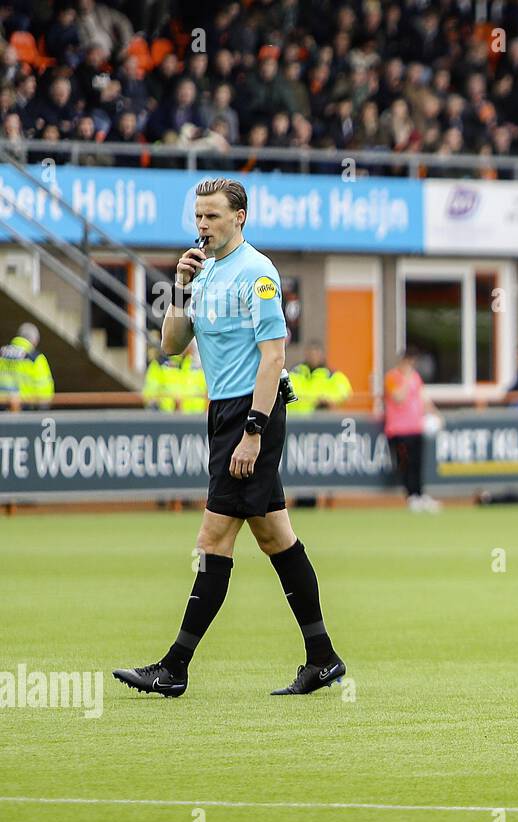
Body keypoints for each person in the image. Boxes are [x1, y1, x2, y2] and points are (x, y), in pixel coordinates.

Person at [112, 178, 345, 698]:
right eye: (198, 216)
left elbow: (274, 357)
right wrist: (178, 288)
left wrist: (254, 433)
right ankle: (323, 657)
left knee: (212, 541)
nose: (202, 225)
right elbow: (172, 347)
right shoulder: (205, 272)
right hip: (223, 411)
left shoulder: (258, 273)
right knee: (274, 537)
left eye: (212, 216)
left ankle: (174, 668)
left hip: (251, 413)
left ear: (239, 217)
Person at [385, 348, 441, 512]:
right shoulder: (392, 378)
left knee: (418, 464)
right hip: (399, 431)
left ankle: (420, 494)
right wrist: (406, 380)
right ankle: (410, 496)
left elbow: (423, 398)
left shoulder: (416, 377)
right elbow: (398, 398)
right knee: (406, 465)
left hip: (416, 428)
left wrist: (436, 414)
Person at [288, 340, 353, 415]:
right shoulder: (295, 373)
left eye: (317, 352)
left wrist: (328, 400)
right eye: (311, 352)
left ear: (323, 354)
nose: (313, 355)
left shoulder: (332, 376)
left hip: (321, 421)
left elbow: (345, 393)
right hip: (294, 420)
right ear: (305, 354)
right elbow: (284, 391)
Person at [1, 323, 54, 409]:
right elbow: (44, 390)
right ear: (34, 341)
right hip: (24, 410)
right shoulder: (35, 357)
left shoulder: (1, 353)